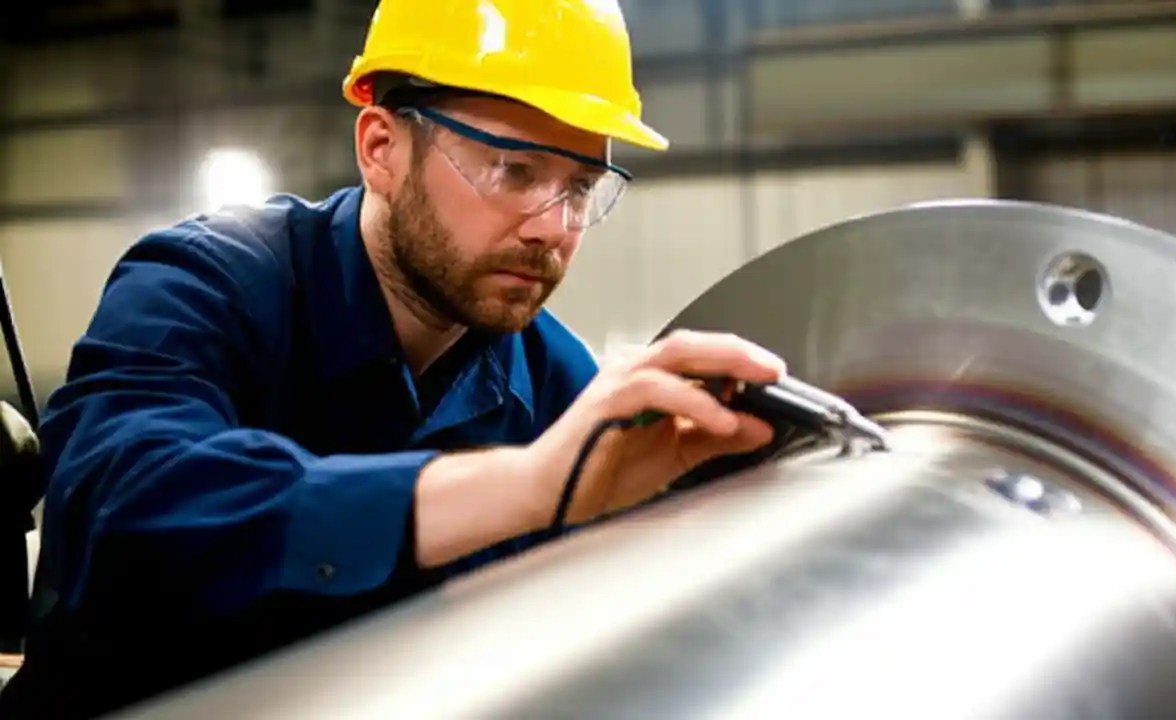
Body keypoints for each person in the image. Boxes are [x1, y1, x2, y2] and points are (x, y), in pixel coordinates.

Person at [0, 0, 786, 717]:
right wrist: (525, 485)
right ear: (381, 146)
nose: (554, 227)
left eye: (579, 187)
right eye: (514, 172)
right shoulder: (205, 285)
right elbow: (125, 502)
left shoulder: (553, 381)